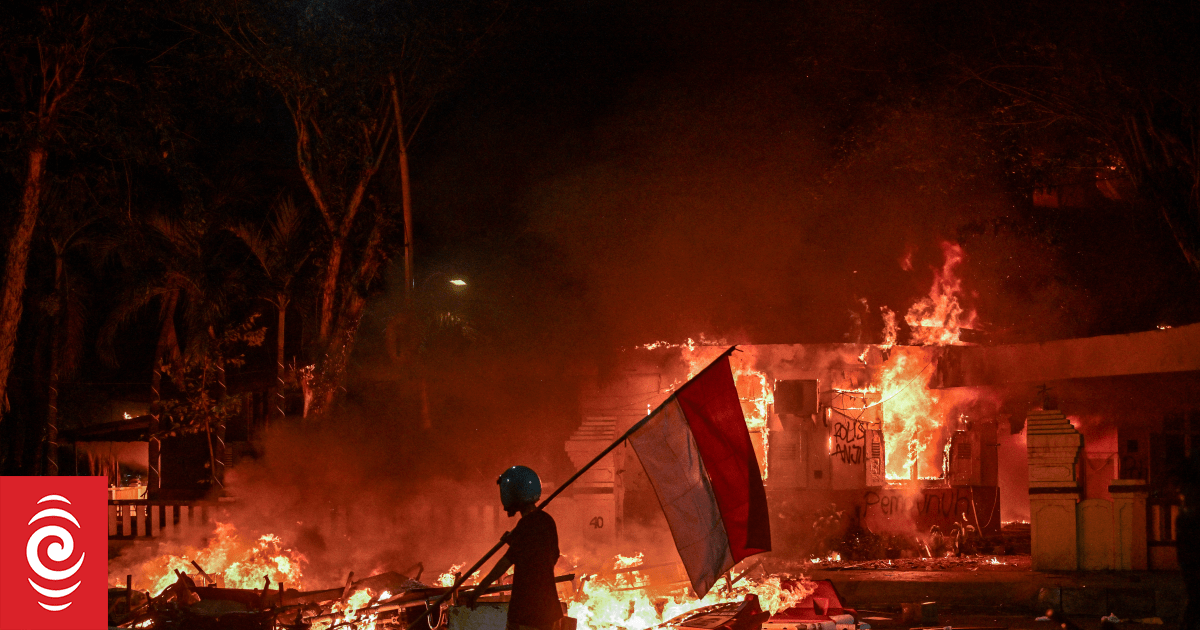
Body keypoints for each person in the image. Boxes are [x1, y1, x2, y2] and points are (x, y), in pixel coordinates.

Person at [463, 466, 563, 630]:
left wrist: (478, 591)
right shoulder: (547, 520)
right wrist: (516, 542)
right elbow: (550, 556)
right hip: (549, 609)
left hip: (526, 612)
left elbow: (504, 564)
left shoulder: (525, 525)